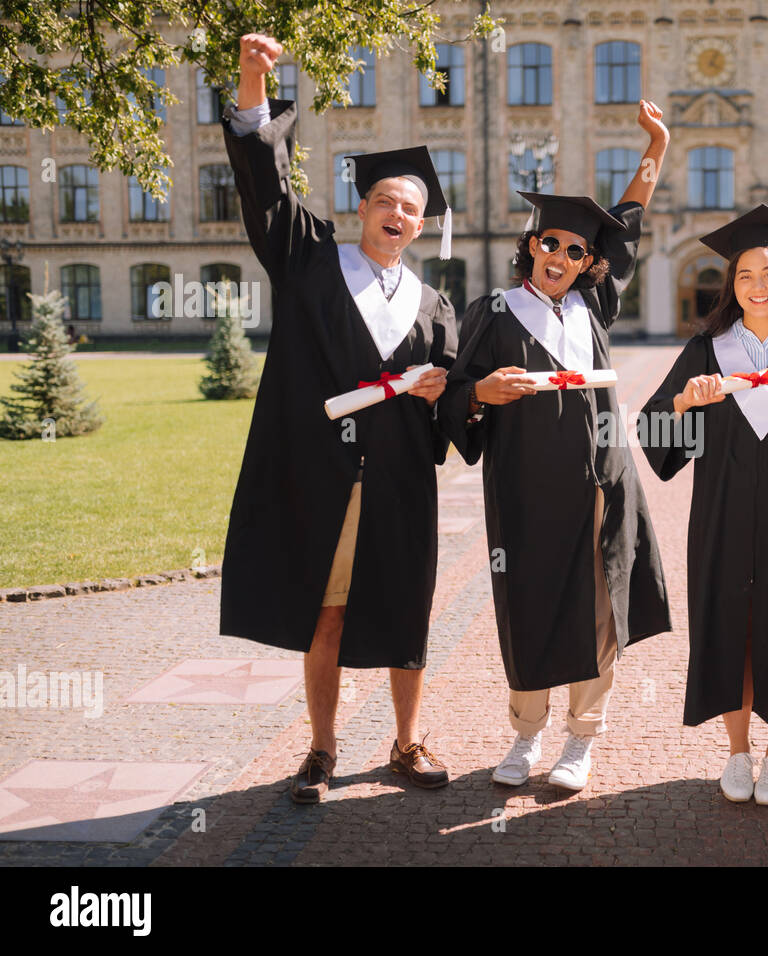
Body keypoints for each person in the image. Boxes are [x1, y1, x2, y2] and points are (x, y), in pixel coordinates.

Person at [219, 33, 460, 803]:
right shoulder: (308, 260)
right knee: (325, 614)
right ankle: (321, 751)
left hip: (399, 482)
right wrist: (254, 91)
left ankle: (406, 743)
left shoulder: (434, 306)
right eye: (385, 200)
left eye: (411, 208)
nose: (397, 213)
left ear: (421, 227)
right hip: (321, 475)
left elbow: (454, 400)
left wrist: (443, 395)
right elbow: (266, 189)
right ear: (362, 208)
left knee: (407, 619)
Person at [438, 102, 672, 792]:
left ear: (588, 263)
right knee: (530, 605)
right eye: (551, 244)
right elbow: (455, 393)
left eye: (577, 251)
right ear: (531, 244)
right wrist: (483, 395)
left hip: (602, 484)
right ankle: (525, 734)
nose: (561, 258)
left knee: (601, 609)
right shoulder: (495, 312)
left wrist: (656, 147)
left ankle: (581, 740)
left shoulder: (594, 307)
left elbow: (626, 225)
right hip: (526, 491)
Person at [641, 205, 768, 806]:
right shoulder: (706, 350)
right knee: (731, 626)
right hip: (721, 514)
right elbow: (653, 430)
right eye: (745, 274)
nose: (756, 285)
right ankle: (737, 751)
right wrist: (682, 408)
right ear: (732, 283)